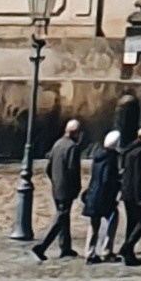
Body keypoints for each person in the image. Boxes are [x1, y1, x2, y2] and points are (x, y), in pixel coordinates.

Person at [33, 110, 84, 258]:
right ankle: (42, 246)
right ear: (75, 133)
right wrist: (76, 187)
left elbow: (48, 168)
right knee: (61, 217)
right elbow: (73, 170)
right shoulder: (72, 148)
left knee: (64, 217)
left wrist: (55, 181)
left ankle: (65, 246)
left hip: (56, 187)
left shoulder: (57, 144)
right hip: (67, 188)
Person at [80, 126, 122, 263]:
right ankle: (106, 250)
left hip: (93, 194)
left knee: (94, 224)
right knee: (112, 219)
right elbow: (107, 180)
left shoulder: (98, 157)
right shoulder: (111, 159)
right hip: (104, 197)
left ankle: (89, 252)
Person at [117, 119, 141, 270]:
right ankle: (127, 247)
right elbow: (139, 176)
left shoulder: (129, 151)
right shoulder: (140, 153)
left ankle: (129, 254)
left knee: (132, 223)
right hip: (135, 194)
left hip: (127, 192)